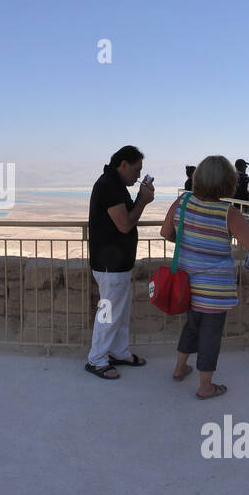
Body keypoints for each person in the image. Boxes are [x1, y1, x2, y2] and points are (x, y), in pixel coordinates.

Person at [165, 155, 249, 400]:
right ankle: (205, 386)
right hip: (215, 290)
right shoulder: (227, 213)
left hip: (186, 283)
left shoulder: (182, 201)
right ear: (228, 182)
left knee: (191, 326)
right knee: (210, 335)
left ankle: (178, 368)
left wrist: (189, 243)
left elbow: (166, 231)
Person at [83, 145, 156, 379]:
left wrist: (138, 198)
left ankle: (118, 352)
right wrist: (143, 201)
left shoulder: (116, 185)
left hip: (118, 263)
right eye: (136, 171)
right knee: (108, 312)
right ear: (123, 165)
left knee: (121, 312)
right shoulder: (108, 186)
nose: (137, 176)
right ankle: (96, 359)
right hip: (109, 264)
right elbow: (125, 224)